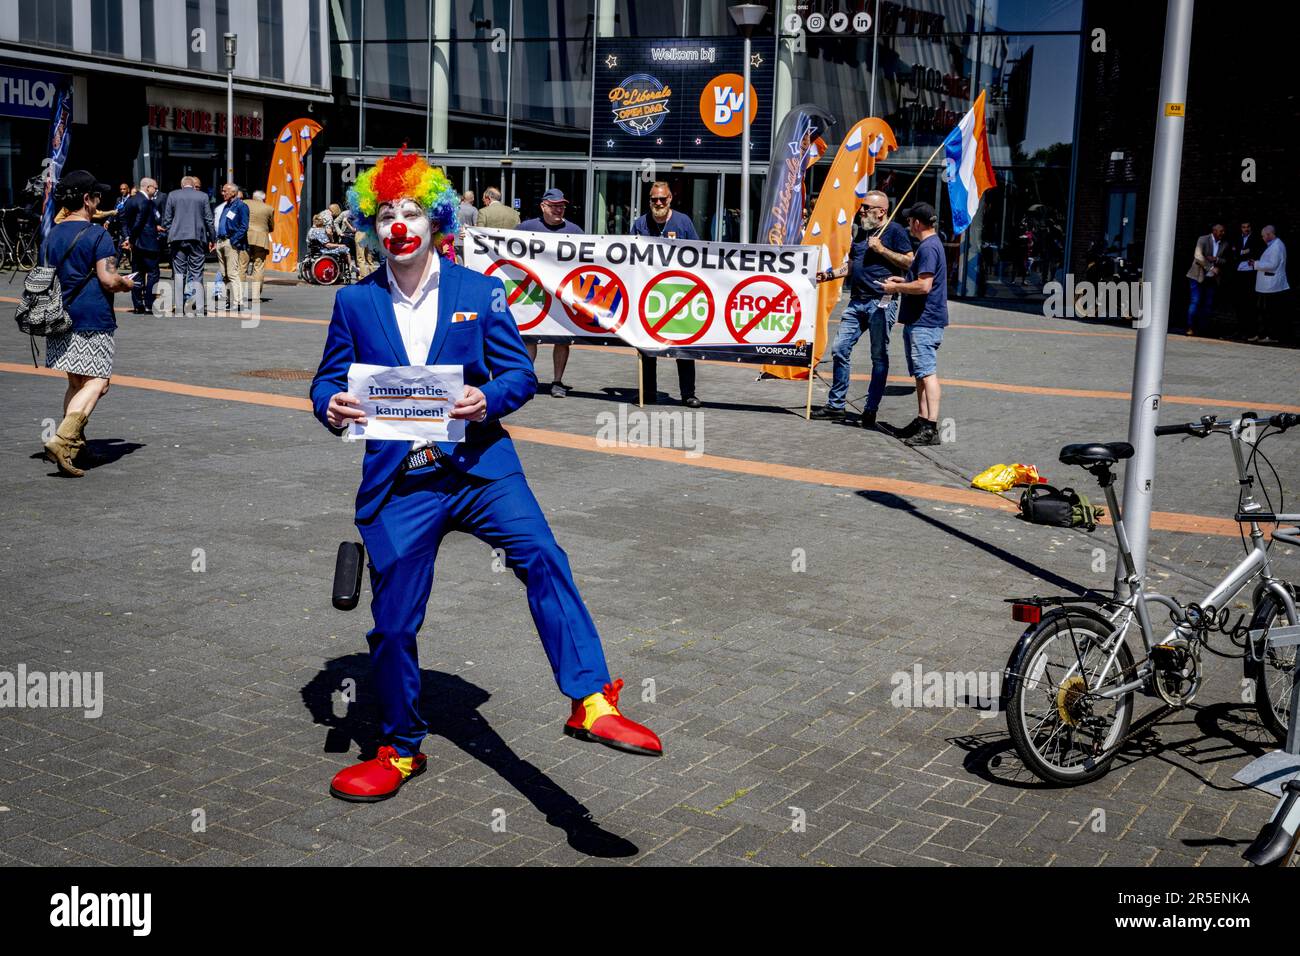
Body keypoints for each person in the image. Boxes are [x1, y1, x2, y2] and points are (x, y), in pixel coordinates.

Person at [310, 150, 662, 802]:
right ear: (372, 224)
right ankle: (399, 746)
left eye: (411, 211)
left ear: (436, 220)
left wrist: (487, 399)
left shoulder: (479, 290)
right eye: (386, 213)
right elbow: (329, 381)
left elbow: (519, 374)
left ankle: (590, 698)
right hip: (403, 481)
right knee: (391, 623)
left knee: (543, 555)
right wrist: (330, 404)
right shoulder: (355, 302)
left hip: (480, 467)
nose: (399, 224)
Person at [38, 170, 134, 476]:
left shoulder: (52, 234)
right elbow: (107, 279)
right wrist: (125, 283)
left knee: (77, 382)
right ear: (85, 199)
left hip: (58, 316)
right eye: (96, 196)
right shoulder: (98, 234)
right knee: (98, 382)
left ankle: (74, 449)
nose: (98, 201)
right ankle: (64, 439)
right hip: (92, 317)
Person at [810, 191, 913, 428]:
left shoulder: (895, 231)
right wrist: (827, 275)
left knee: (878, 356)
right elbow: (853, 265)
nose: (862, 211)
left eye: (866, 207)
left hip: (881, 301)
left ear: (882, 211)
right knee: (839, 348)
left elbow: (910, 261)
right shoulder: (863, 233)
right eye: (861, 207)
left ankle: (870, 409)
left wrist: (882, 250)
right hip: (857, 301)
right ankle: (836, 406)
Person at [882, 202, 948, 448]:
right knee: (920, 374)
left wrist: (896, 287)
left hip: (925, 321)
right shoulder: (930, 245)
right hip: (920, 320)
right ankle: (922, 421)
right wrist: (903, 279)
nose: (908, 224)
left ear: (917, 223)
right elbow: (919, 279)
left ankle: (931, 426)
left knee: (927, 373)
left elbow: (924, 286)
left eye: (910, 220)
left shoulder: (929, 247)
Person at [630, 181, 701, 407]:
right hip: (650, 296)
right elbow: (630, 256)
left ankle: (688, 394)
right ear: (649, 200)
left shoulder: (683, 222)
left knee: (684, 347)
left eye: (663, 199)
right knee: (647, 346)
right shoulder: (640, 223)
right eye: (654, 199)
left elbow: (698, 254)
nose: (658, 203)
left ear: (670, 199)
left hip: (680, 294)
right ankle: (647, 393)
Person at [518, 188, 583, 397]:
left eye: (562, 206)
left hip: (563, 293)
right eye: (554, 206)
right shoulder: (527, 228)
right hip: (534, 292)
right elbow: (501, 244)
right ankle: (527, 378)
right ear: (543, 206)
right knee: (530, 336)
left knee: (562, 338)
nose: (558, 210)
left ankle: (557, 382)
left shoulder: (575, 231)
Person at [162, 175, 215, 314]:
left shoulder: (173, 195)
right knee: (197, 272)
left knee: (179, 272)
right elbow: (209, 219)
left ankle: (179, 305)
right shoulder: (202, 196)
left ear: (182, 185)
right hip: (197, 238)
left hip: (177, 239)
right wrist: (212, 238)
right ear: (193, 185)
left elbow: (167, 219)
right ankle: (199, 306)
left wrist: (169, 232)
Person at [118, 177, 163, 314]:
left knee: (137, 274)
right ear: (148, 187)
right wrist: (131, 239)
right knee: (153, 274)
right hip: (148, 243)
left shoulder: (130, 200)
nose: (156, 190)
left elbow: (123, 220)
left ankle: (138, 304)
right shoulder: (146, 202)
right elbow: (139, 222)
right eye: (155, 187)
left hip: (136, 245)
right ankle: (149, 303)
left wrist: (127, 237)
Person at [1247, 225, 1289, 345]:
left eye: (1263, 236)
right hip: (1267, 285)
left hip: (1271, 286)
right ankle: (1264, 334)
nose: (1262, 238)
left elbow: (1272, 265)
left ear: (1270, 234)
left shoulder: (1277, 247)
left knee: (1269, 312)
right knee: (1265, 311)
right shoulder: (1273, 245)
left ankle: (1270, 335)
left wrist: (1256, 264)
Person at [1184, 223, 1226, 336]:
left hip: (1212, 279)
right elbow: (1198, 256)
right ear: (1214, 231)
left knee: (1208, 304)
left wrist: (1216, 259)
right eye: (1220, 231)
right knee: (1195, 301)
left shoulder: (1224, 243)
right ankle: (1190, 327)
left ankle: (1202, 329)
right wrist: (1211, 267)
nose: (1223, 233)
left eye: (1223, 231)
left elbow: (1226, 260)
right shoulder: (1203, 239)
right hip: (1197, 276)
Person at [213, 182, 249, 311]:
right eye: (222, 191)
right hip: (221, 241)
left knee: (232, 273)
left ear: (233, 192)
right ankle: (227, 301)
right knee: (224, 274)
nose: (223, 193)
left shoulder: (241, 206)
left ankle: (238, 302)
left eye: (225, 191)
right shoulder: (226, 206)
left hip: (230, 242)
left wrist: (233, 240)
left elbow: (244, 226)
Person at [1231, 221, 1265, 334]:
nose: (1246, 229)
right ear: (1241, 228)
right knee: (1239, 301)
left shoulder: (1256, 239)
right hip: (1238, 273)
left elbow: (1255, 253)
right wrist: (1244, 253)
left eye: (1248, 227)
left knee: (1250, 301)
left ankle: (1250, 329)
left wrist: (1242, 253)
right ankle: (1241, 328)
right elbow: (1234, 255)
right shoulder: (1236, 239)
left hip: (1250, 273)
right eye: (1244, 227)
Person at [245, 189, 275, 304]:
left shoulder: (245, 203)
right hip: (261, 239)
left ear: (253, 196)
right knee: (259, 267)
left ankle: (239, 296)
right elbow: (271, 227)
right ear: (264, 198)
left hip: (245, 237)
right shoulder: (269, 208)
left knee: (242, 266)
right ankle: (256, 297)